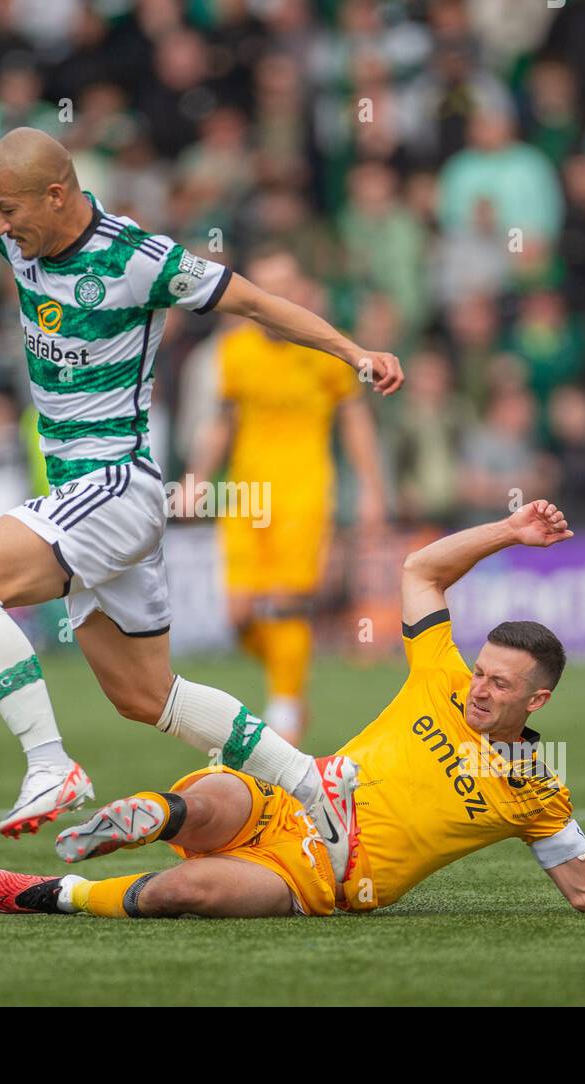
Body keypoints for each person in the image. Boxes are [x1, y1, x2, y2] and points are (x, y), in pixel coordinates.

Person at [0, 128, 404, 885]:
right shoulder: (14, 236)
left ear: (57, 193)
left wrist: (354, 352)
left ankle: (50, 765)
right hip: (84, 495)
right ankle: (317, 783)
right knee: (148, 696)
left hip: (116, 484)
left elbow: (256, 302)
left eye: (9, 210)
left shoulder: (139, 258)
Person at [0, 500, 585, 921]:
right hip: (293, 795)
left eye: (498, 684)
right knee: (219, 793)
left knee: (190, 897)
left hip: (320, 877)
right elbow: (421, 570)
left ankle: (50, 895)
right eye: (481, 671)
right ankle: (150, 813)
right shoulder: (440, 677)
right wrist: (509, 531)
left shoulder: (537, 792)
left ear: (539, 700)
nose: (479, 687)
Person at [184, 246, 386, 744]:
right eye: (265, 286)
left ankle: (286, 708)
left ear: (301, 291)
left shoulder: (326, 349)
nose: (274, 296)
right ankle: (287, 681)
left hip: (304, 493)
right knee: (238, 614)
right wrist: (195, 478)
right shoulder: (235, 351)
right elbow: (223, 422)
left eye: (284, 286)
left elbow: (355, 421)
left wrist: (372, 490)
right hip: (245, 495)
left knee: (286, 604)